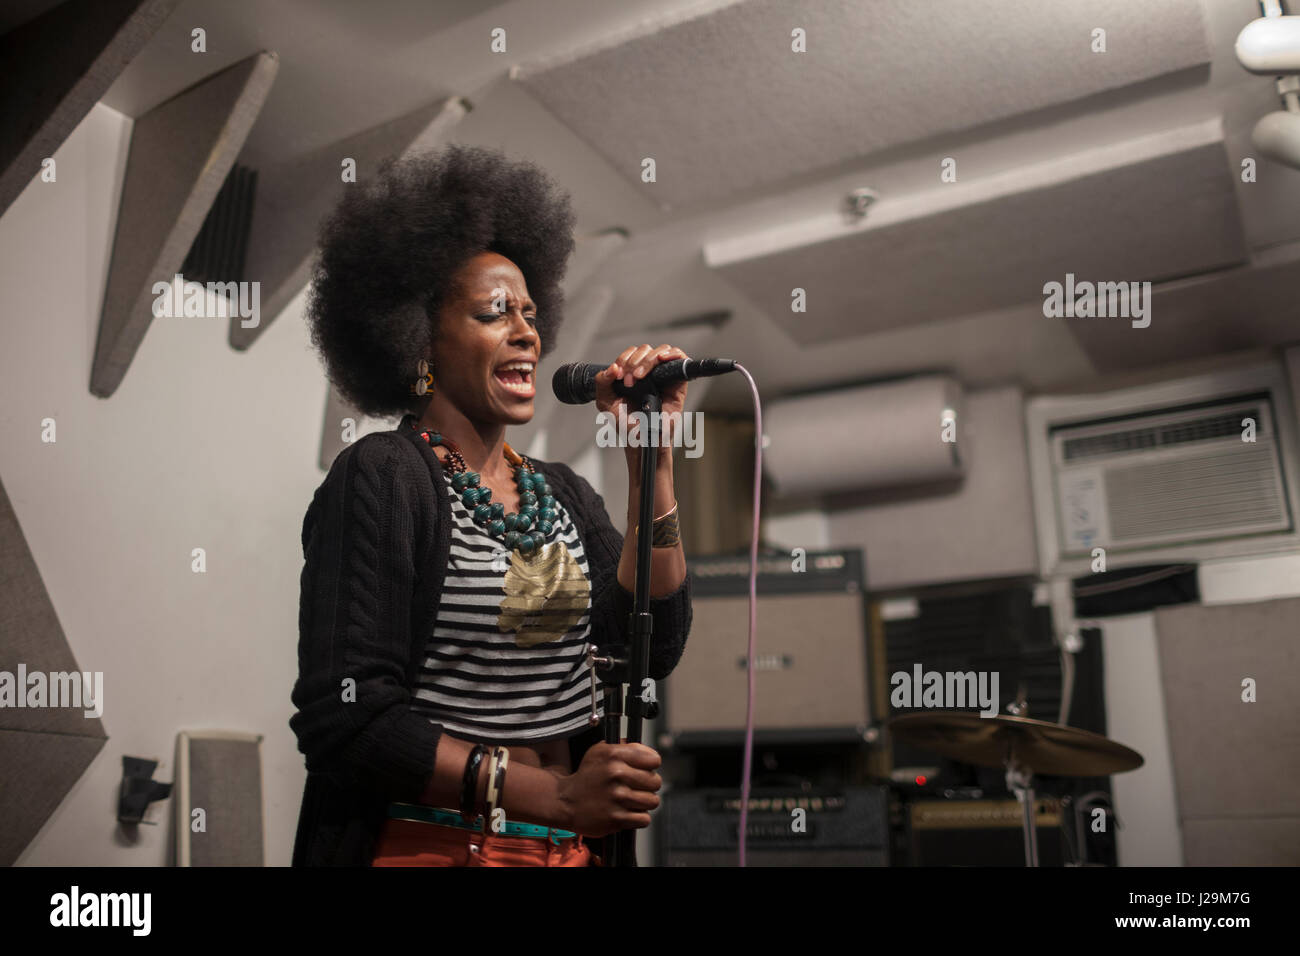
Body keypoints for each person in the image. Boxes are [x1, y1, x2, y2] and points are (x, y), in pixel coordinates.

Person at [289, 144, 693, 866]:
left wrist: (651, 463)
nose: (527, 333)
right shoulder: (383, 476)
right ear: (419, 337)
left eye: (532, 314)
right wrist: (555, 796)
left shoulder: (564, 491)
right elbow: (346, 713)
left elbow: (650, 647)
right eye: (494, 312)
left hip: (568, 853)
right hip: (433, 846)